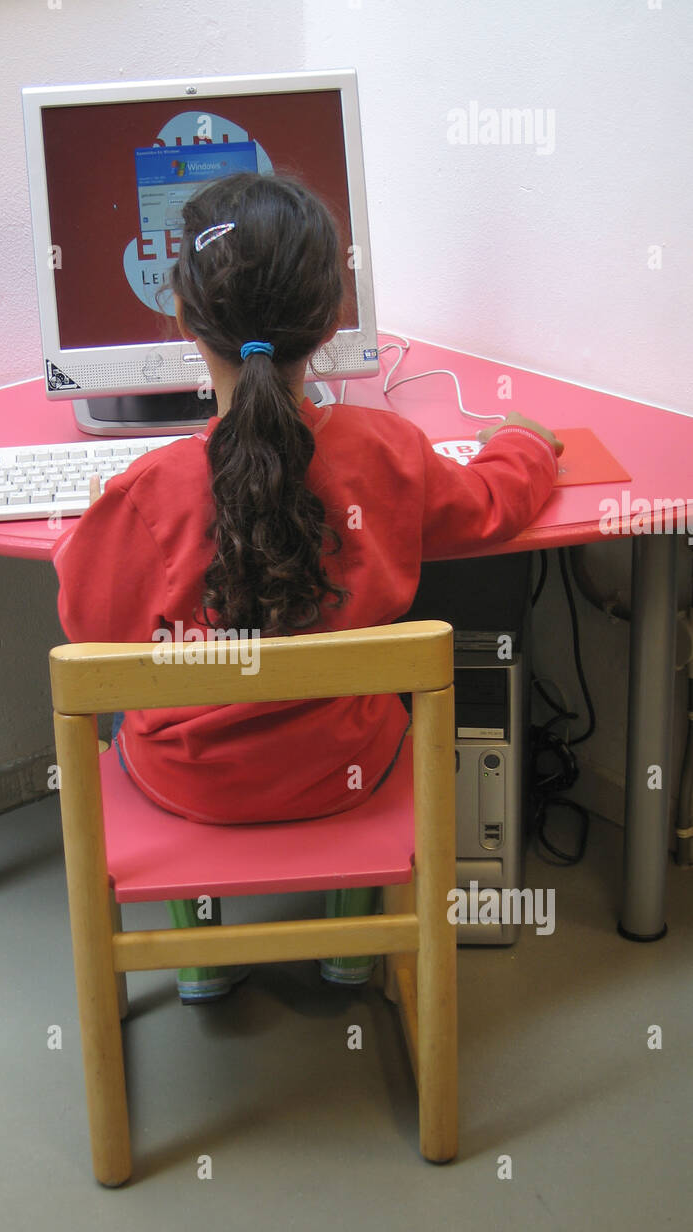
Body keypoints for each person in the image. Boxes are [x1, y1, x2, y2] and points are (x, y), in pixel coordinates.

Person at [53, 171, 561, 1002]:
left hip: (191, 785)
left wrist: (88, 527)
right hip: (342, 772)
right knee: (367, 721)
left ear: (181, 317)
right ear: (329, 325)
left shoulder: (148, 492)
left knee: (139, 714)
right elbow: (491, 506)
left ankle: (204, 958)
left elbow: (87, 622)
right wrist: (526, 445)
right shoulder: (389, 452)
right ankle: (353, 950)